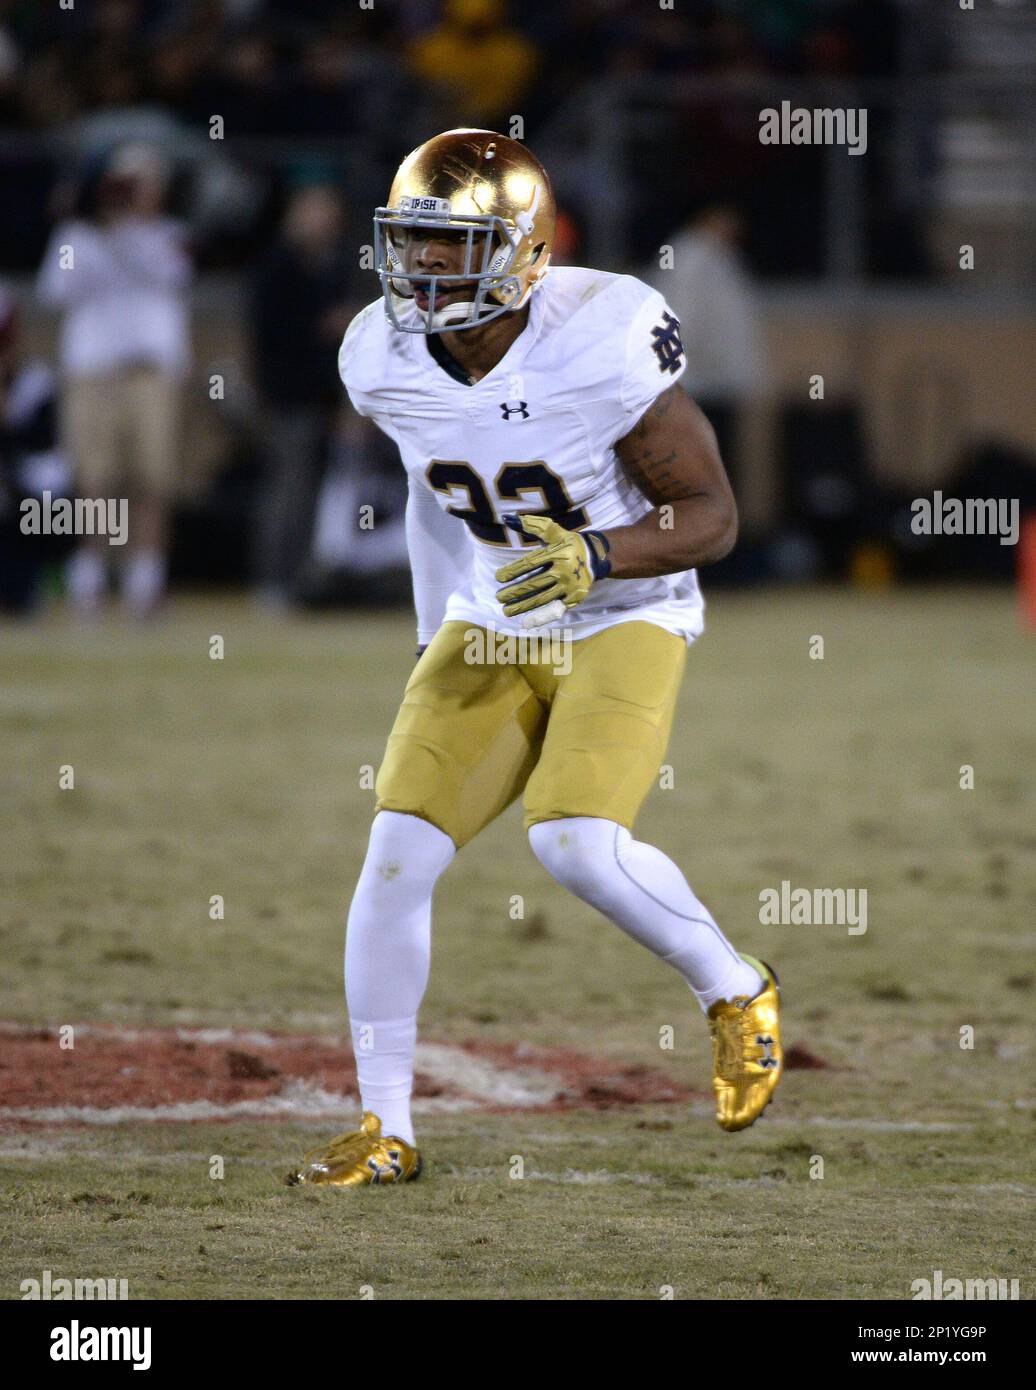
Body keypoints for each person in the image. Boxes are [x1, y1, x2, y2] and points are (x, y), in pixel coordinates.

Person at [288, 130, 783, 1188]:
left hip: (626, 611)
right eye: (410, 244)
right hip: (495, 614)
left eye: (446, 247)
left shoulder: (598, 338)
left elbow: (713, 514)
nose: (418, 270)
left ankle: (733, 985)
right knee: (393, 858)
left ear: (519, 253)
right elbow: (431, 490)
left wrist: (598, 554)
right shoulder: (380, 356)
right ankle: (386, 1129)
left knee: (574, 844)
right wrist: (434, 637)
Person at [37, 142, 191, 617]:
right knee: (95, 478)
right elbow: (55, 291)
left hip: (150, 373)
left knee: (152, 475)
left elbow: (171, 275)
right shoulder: (77, 237)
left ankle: (146, 580)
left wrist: (124, 233)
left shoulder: (168, 234)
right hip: (93, 371)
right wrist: (92, 230)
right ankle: (90, 576)